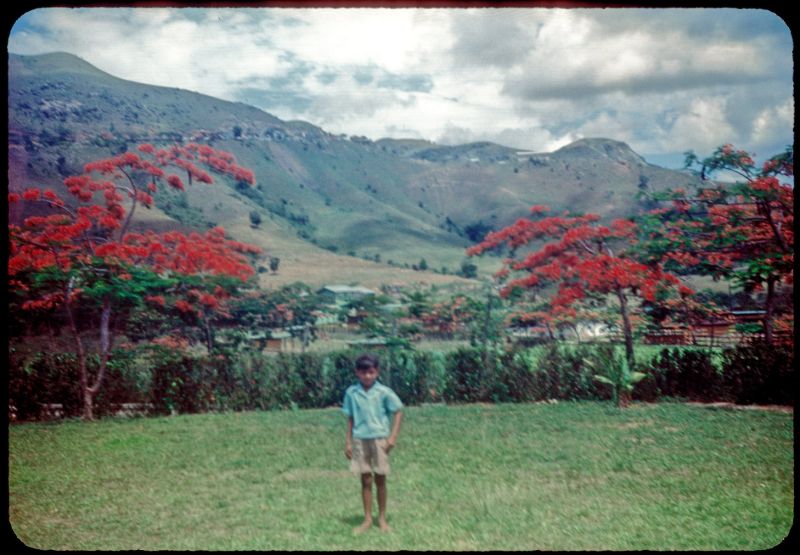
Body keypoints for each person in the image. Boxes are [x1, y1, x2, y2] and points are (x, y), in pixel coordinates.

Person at [342, 353, 403, 533]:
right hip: (360, 440)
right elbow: (350, 418)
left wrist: (392, 438)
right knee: (366, 479)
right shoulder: (352, 393)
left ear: (377, 372)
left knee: (380, 479)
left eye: (371, 372)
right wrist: (348, 442)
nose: (367, 376)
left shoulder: (384, 392)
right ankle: (367, 518)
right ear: (357, 373)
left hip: (379, 439)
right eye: (363, 373)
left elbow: (398, 411)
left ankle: (382, 518)